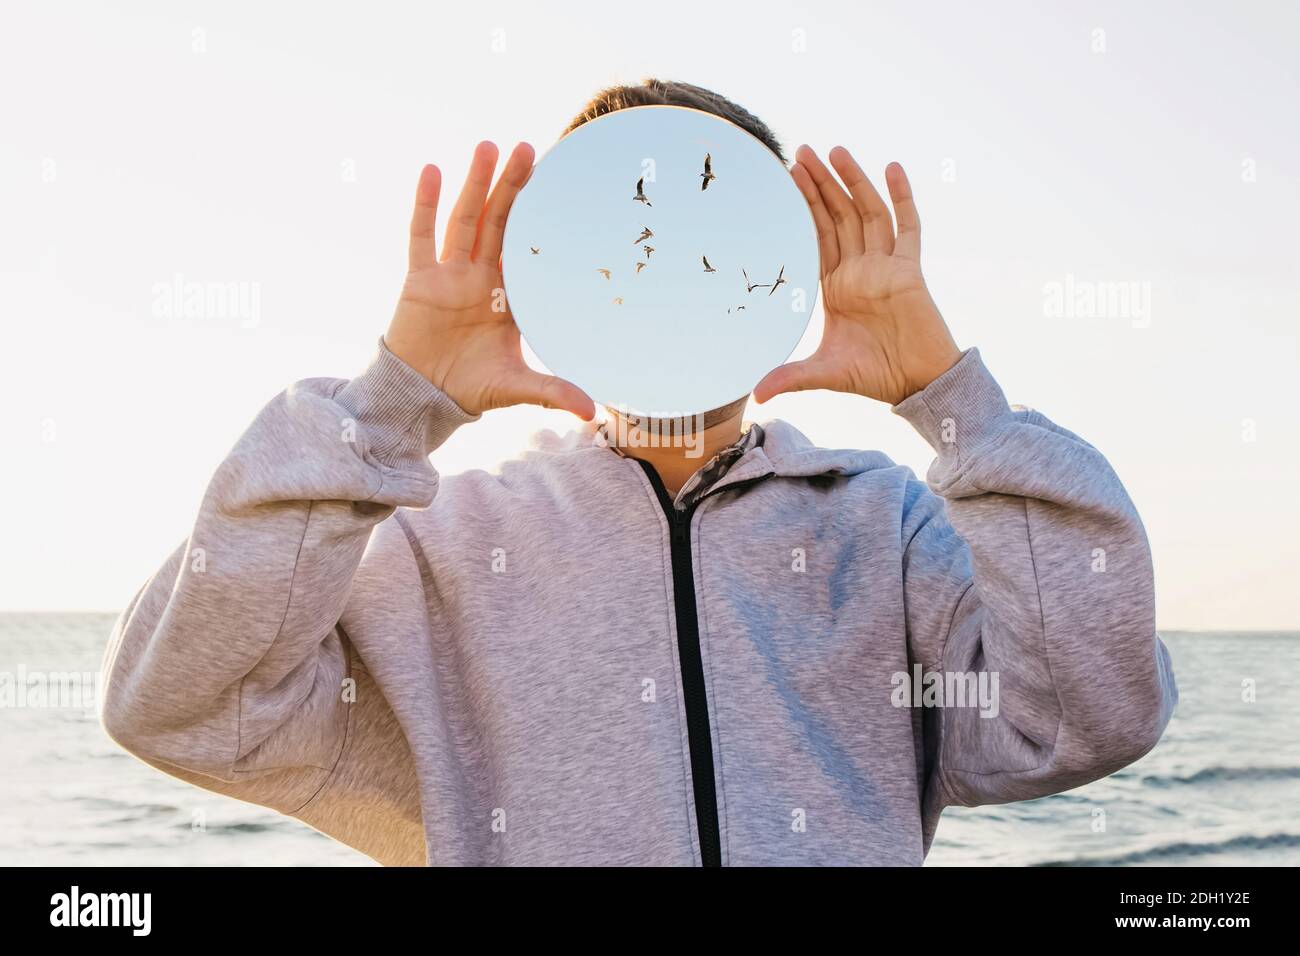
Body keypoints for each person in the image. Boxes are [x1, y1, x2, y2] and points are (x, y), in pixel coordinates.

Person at [100, 79, 1177, 866]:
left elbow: (1092, 715)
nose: (667, 271)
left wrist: (951, 397)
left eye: (717, 237)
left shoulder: (881, 526)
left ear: (784, 276)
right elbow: (182, 706)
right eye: (621, 240)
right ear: (547, 279)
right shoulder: (438, 545)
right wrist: (390, 405)